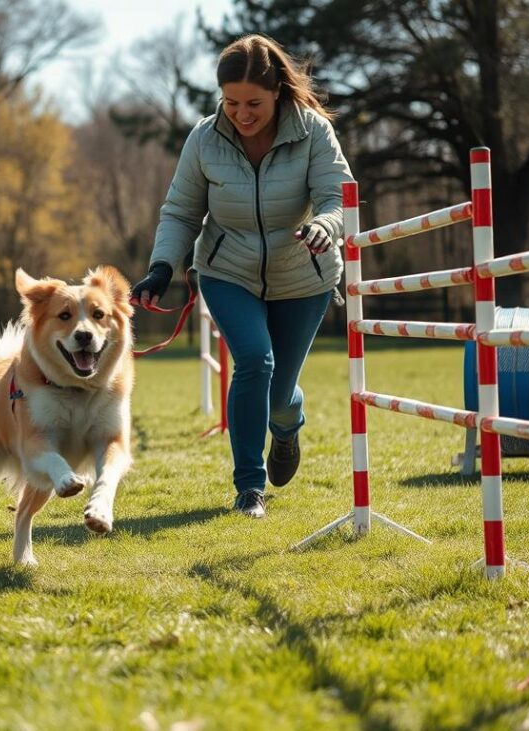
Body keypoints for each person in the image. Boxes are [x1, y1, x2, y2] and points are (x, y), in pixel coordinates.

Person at [130, 34, 352, 518]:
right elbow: (181, 211)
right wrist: (161, 267)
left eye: (253, 102)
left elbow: (339, 198)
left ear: (278, 92)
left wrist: (324, 225)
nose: (241, 113)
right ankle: (250, 488)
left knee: (278, 395)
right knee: (255, 360)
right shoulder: (205, 138)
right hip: (226, 271)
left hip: (303, 277)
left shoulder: (312, 131)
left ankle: (287, 426)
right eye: (231, 102)